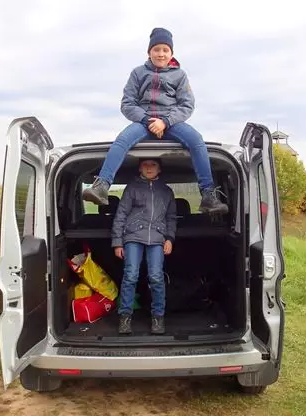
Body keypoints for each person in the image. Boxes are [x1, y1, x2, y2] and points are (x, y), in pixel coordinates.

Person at [82, 27, 228, 215]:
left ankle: (208, 195)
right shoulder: (137, 73)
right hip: (143, 121)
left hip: (172, 121)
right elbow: (127, 104)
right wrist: (146, 120)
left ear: (171, 53)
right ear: (149, 52)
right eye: (156, 49)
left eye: (165, 50)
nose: (161, 54)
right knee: (122, 141)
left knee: (197, 141)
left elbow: (187, 105)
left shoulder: (180, 75)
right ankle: (101, 186)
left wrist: (165, 122)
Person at [111, 158, 176, 335]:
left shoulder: (166, 191)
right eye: (145, 164)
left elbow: (171, 218)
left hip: (157, 238)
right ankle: (125, 317)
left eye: (153, 164)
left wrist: (169, 238)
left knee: (156, 276)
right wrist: (117, 242)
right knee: (131, 275)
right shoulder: (132, 188)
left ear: (159, 168)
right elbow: (121, 215)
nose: (149, 168)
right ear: (140, 167)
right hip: (133, 237)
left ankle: (158, 317)